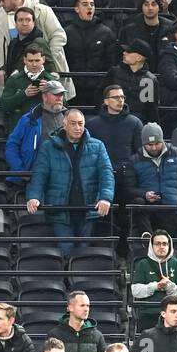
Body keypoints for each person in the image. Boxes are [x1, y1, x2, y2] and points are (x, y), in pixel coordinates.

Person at [26, 109, 115, 254]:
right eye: (73, 124)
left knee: (83, 253)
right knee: (66, 251)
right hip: (59, 209)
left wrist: (105, 198)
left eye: (80, 124)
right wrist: (34, 196)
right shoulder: (48, 147)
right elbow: (40, 175)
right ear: (64, 124)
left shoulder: (98, 146)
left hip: (89, 208)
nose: (77, 128)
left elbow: (106, 174)